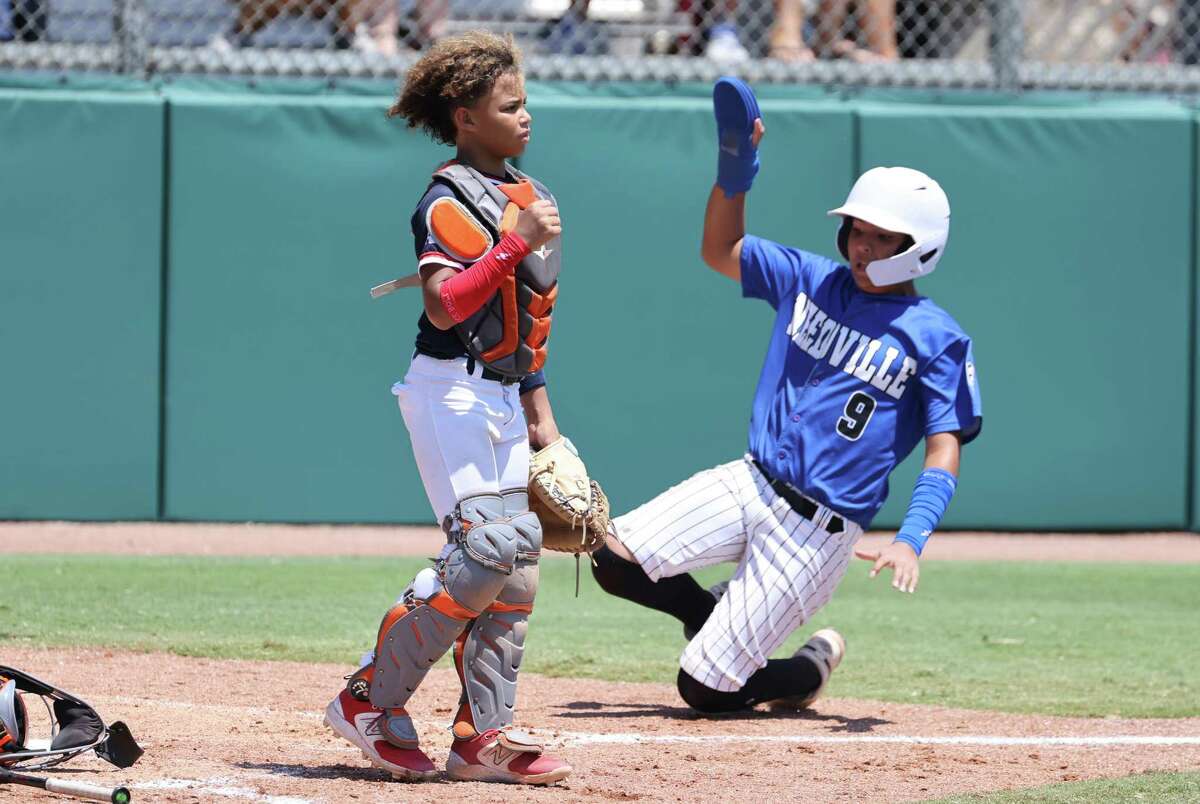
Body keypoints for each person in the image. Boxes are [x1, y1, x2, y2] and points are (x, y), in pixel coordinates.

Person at [591, 77, 982, 714]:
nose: (863, 244)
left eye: (883, 237)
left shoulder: (936, 338)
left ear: (919, 247)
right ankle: (709, 611)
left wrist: (912, 537)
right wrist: (736, 170)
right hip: (752, 480)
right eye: (858, 229)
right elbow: (720, 249)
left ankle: (804, 672)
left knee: (704, 689)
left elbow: (943, 447)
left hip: (816, 533)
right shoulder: (811, 279)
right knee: (612, 558)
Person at [323, 31, 572, 785]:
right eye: (508, 104)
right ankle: (370, 700)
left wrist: (538, 404)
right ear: (465, 116)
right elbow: (442, 308)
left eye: (525, 101)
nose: (524, 115)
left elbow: (524, 314)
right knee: (487, 552)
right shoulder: (448, 197)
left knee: (518, 568)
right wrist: (508, 245)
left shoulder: (529, 195)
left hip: (500, 392)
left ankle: (481, 738)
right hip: (448, 389)